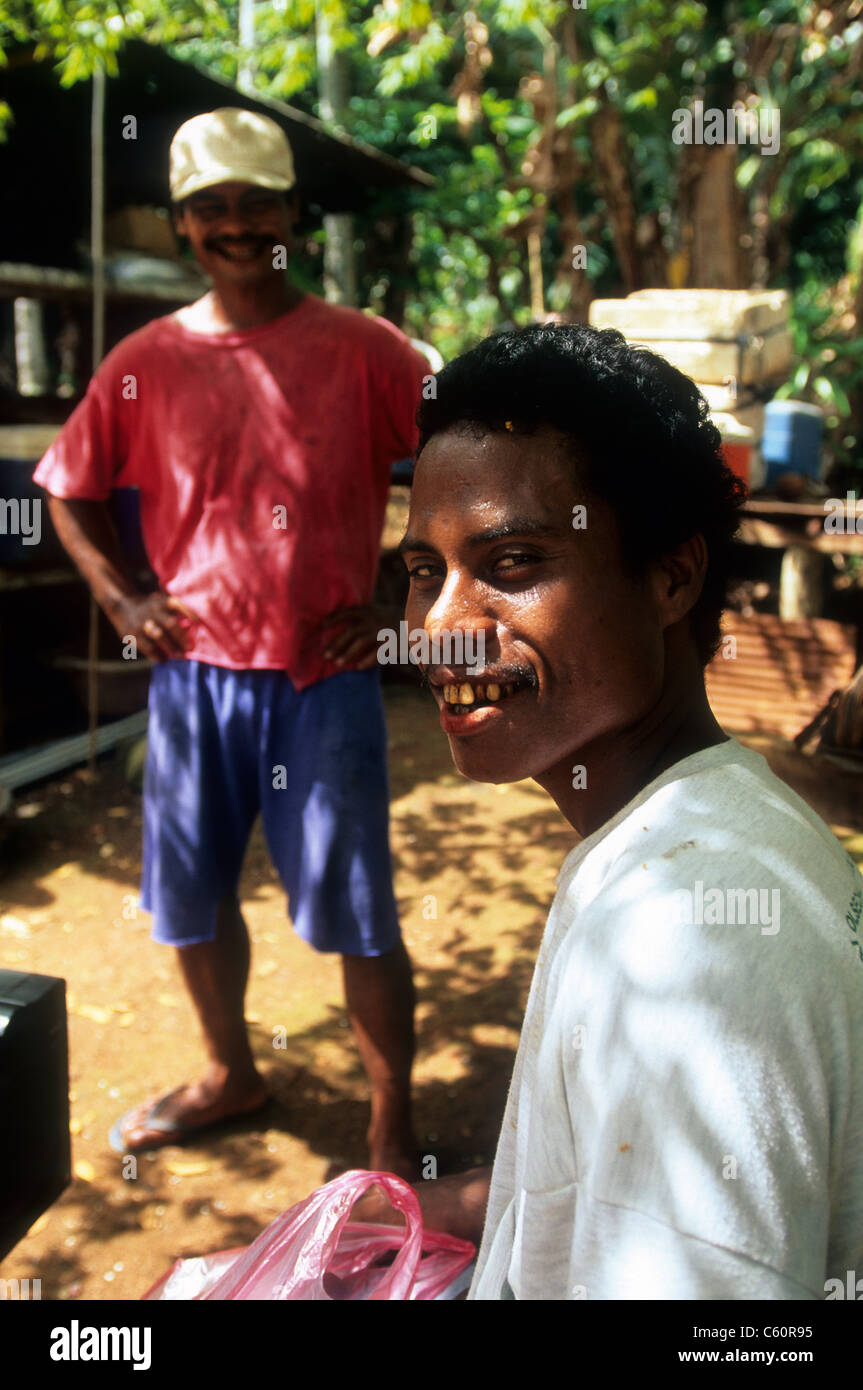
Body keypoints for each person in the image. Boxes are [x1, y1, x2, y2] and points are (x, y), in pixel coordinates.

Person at [377, 322, 863, 1297]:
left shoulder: (683, 950)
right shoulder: (712, 825)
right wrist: (453, 1204)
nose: (439, 630)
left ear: (671, 576)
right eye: (424, 570)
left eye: (510, 561)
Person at [34, 107, 429, 1177]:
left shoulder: (368, 351)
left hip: (324, 680)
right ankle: (229, 1071)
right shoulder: (144, 362)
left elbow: (463, 463)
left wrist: (399, 587)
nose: (239, 224)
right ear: (180, 225)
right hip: (191, 680)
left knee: (357, 913)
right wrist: (124, 602)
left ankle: (392, 1120)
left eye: (260, 202)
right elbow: (64, 488)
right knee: (189, 897)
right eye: (212, 207)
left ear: (295, 212)